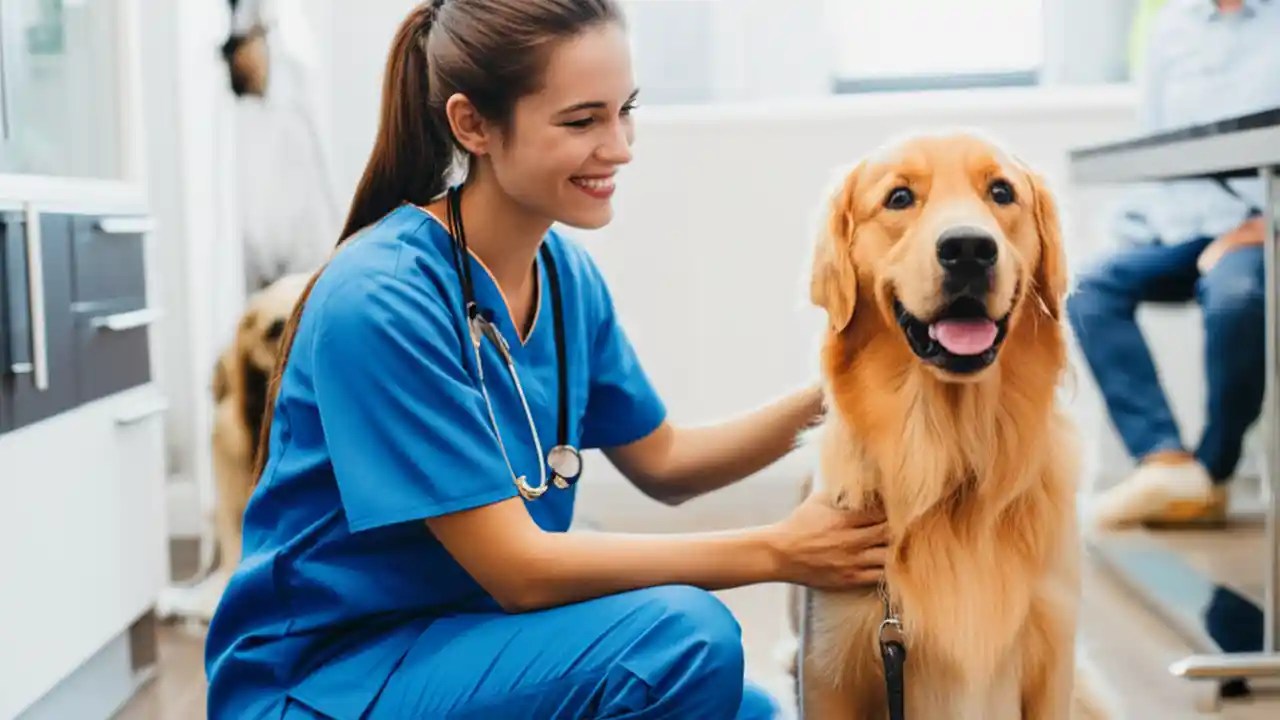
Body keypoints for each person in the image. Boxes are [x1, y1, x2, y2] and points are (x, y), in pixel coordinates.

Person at [203, 2, 889, 718]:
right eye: (582, 120)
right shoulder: (379, 299)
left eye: (625, 111)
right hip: (329, 679)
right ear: (473, 125)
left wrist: (843, 387)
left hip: (461, 639)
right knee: (684, 644)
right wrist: (780, 550)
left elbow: (668, 463)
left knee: (750, 710)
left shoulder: (564, 276)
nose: (620, 146)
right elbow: (520, 569)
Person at [1069, 0, 1280, 529]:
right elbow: (1160, 143)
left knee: (1235, 297)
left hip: (1260, 226)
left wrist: (1261, 229)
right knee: (1089, 288)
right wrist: (1131, 228)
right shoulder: (1171, 26)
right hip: (1184, 226)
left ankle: (1213, 470)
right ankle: (1165, 461)